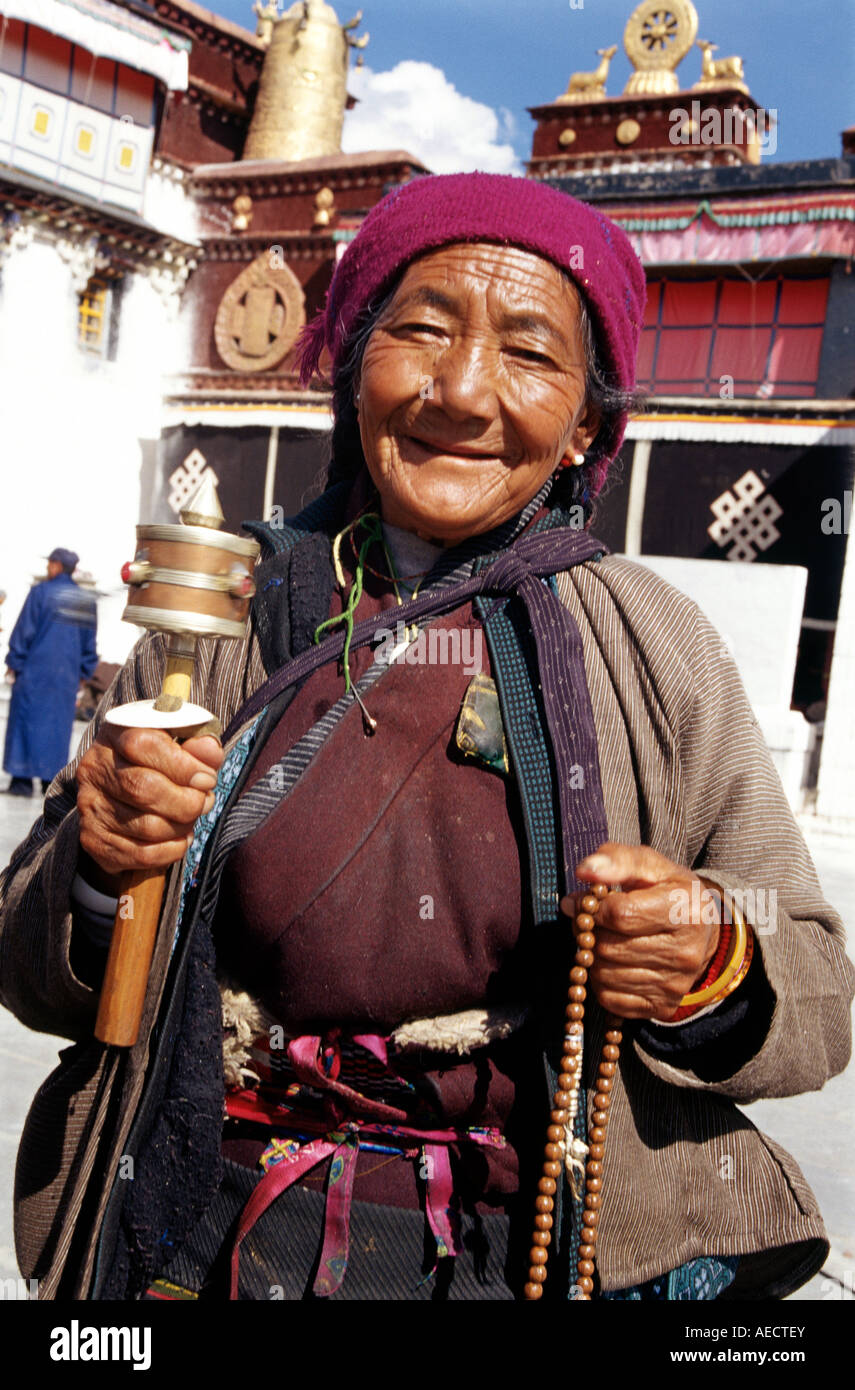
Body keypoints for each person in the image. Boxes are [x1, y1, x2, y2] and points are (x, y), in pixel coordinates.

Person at [0, 174, 852, 1303]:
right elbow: (29, 956)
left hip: (506, 1251)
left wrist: (711, 963)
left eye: (530, 354)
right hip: (197, 1229)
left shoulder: (654, 646)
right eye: (423, 331)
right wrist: (102, 862)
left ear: (588, 422)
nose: (461, 392)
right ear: (354, 368)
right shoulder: (216, 618)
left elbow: (815, 978)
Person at [2, 548, 97, 797]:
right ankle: (50, 784)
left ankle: (21, 782)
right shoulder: (86, 600)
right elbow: (90, 643)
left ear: (56, 565)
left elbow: (25, 631)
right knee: (56, 728)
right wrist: (84, 672)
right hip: (65, 677)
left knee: (25, 723)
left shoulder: (40, 593)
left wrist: (14, 661)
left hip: (34, 672)